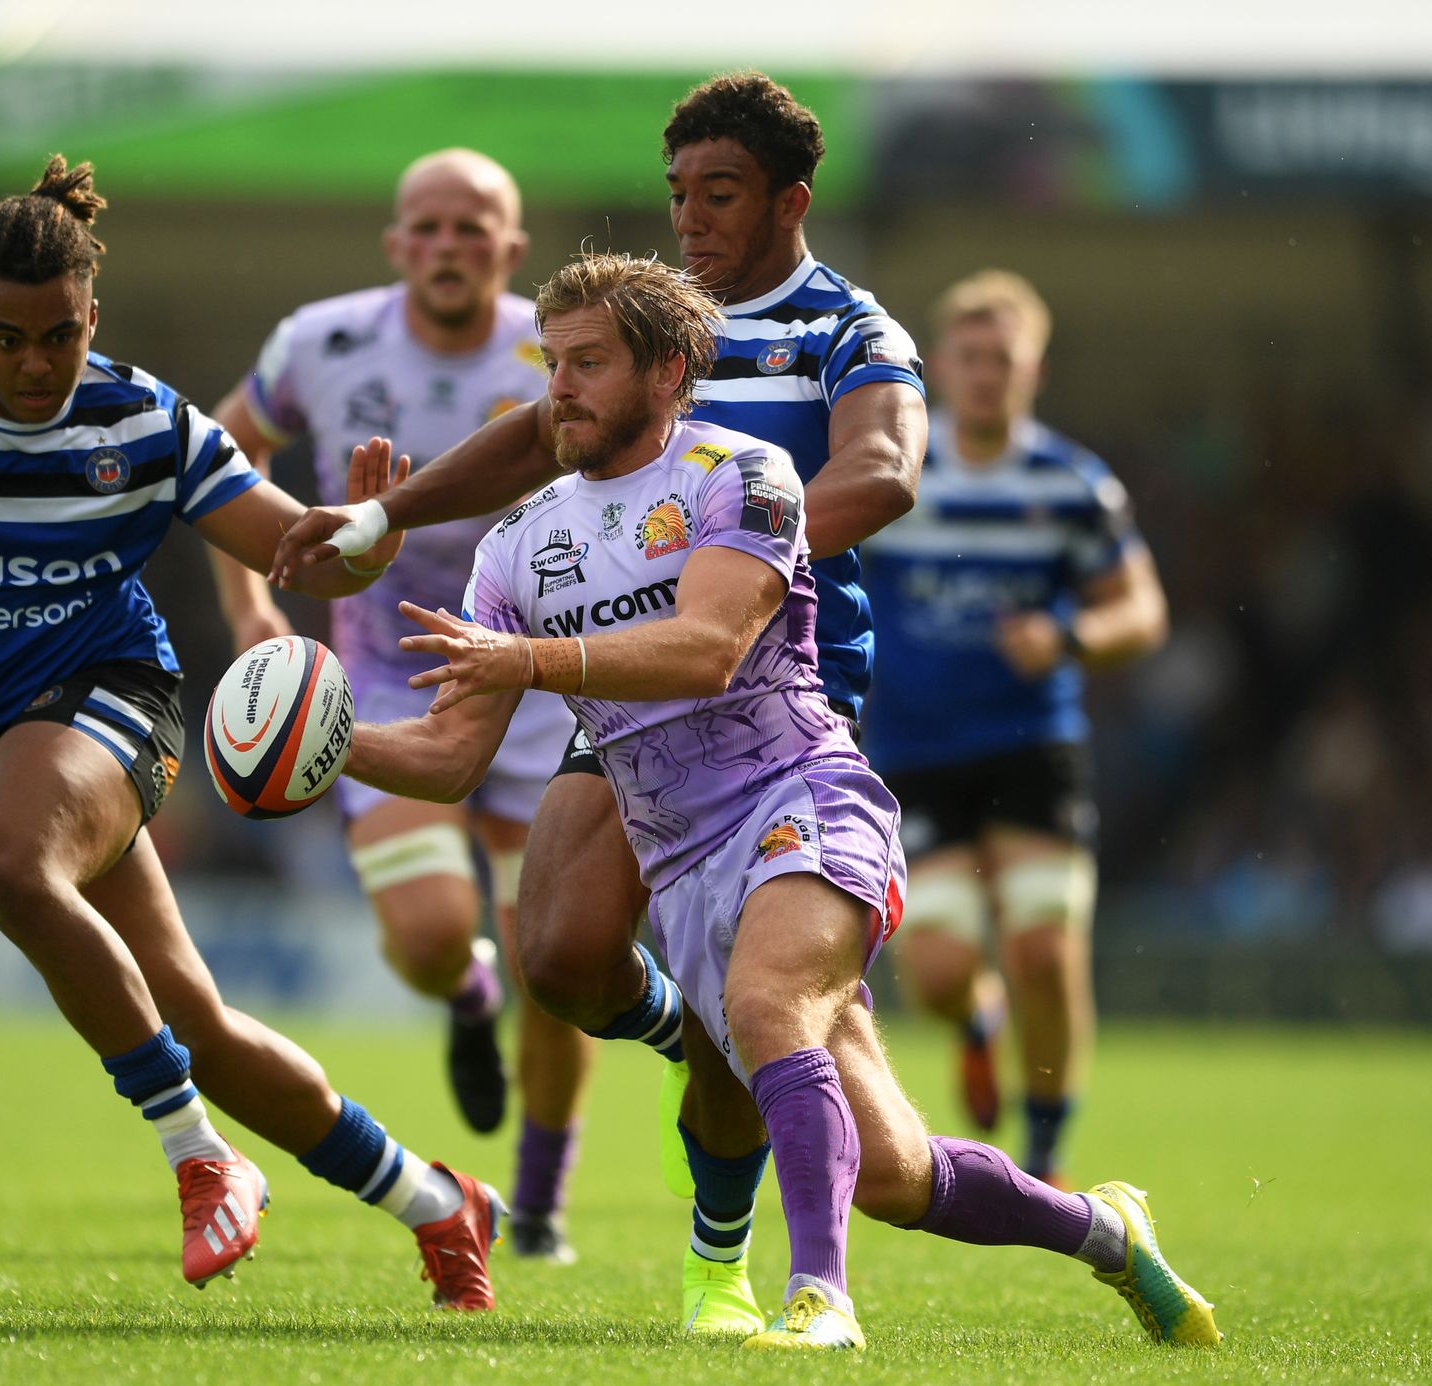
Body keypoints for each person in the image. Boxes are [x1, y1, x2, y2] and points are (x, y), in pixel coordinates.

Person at [343, 250, 1219, 1352]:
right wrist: (328, 746)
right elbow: (450, 755)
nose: (559, 388)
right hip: (679, 854)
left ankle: (818, 1302)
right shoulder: (517, 547)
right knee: (896, 1176)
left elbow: (708, 648)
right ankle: (1104, 1230)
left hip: (800, 791)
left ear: (667, 372)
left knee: (765, 1010)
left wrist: (526, 661)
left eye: (588, 364)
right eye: (550, 363)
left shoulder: (744, 474)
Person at [0, 157, 501, 1308]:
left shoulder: (145, 417)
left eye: (58, 337)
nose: (34, 364)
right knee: (202, 1027)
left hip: (118, 700)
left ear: (91, 319)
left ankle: (197, 1157)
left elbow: (294, 545)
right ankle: (435, 1201)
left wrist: (365, 533)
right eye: (6, 338)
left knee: (11, 868)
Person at [270, 72, 927, 1332]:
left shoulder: (848, 330)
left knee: (868, 1137)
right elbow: (536, 441)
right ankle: (713, 1039)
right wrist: (380, 514)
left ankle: (746, 1259)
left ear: (791, 200)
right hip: (620, 682)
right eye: (678, 191)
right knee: (563, 959)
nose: (690, 216)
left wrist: (721, 575)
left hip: (767, 694)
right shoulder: (637, 325)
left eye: (719, 193)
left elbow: (884, 471)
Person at [203, 148, 590, 1260]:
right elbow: (223, 454)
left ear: (511, 251)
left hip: (536, 669)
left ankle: (542, 1204)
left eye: (474, 228)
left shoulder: (558, 354)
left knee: (557, 969)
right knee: (427, 940)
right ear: (395, 245)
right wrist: (248, 612)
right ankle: (463, 999)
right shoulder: (320, 342)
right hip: (382, 672)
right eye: (427, 226)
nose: (448, 245)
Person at [863, 270, 1169, 1183]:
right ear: (940, 367)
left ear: (1033, 368)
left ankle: (1044, 1146)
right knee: (942, 971)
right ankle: (976, 1022)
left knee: (1045, 946)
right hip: (912, 753)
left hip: (1033, 747)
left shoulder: (1071, 484)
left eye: (1006, 358)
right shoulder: (899, 473)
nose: (988, 374)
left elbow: (1142, 611)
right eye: (971, 357)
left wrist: (1071, 636)